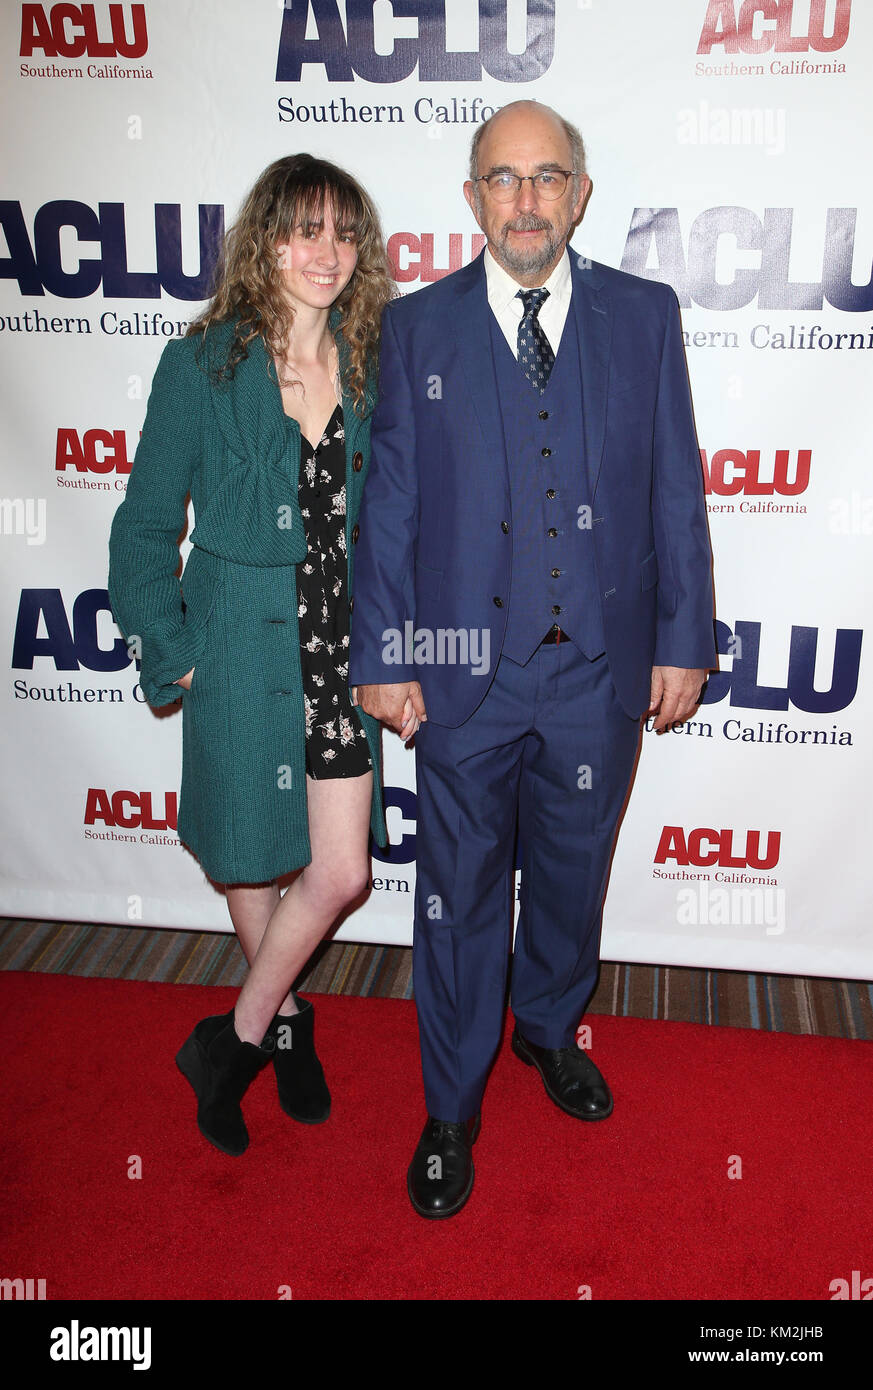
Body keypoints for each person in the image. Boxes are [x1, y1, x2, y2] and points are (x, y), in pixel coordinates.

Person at [349, 101, 716, 1217]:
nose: (525, 200)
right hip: (463, 671)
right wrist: (386, 653)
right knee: (458, 896)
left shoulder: (645, 317)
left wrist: (685, 640)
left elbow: (673, 487)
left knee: (570, 872)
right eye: (502, 180)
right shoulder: (418, 331)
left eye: (547, 177)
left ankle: (550, 1032)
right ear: (471, 199)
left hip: (599, 673)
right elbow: (392, 509)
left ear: (580, 194)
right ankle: (451, 1106)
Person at [108, 154, 395, 1156]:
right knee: (247, 858)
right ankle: (284, 1022)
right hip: (234, 641)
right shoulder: (204, 366)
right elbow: (144, 525)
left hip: (338, 645)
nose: (327, 252)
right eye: (305, 229)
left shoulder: (373, 363)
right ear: (264, 240)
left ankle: (227, 1041)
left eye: (343, 232)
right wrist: (173, 650)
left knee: (340, 869)